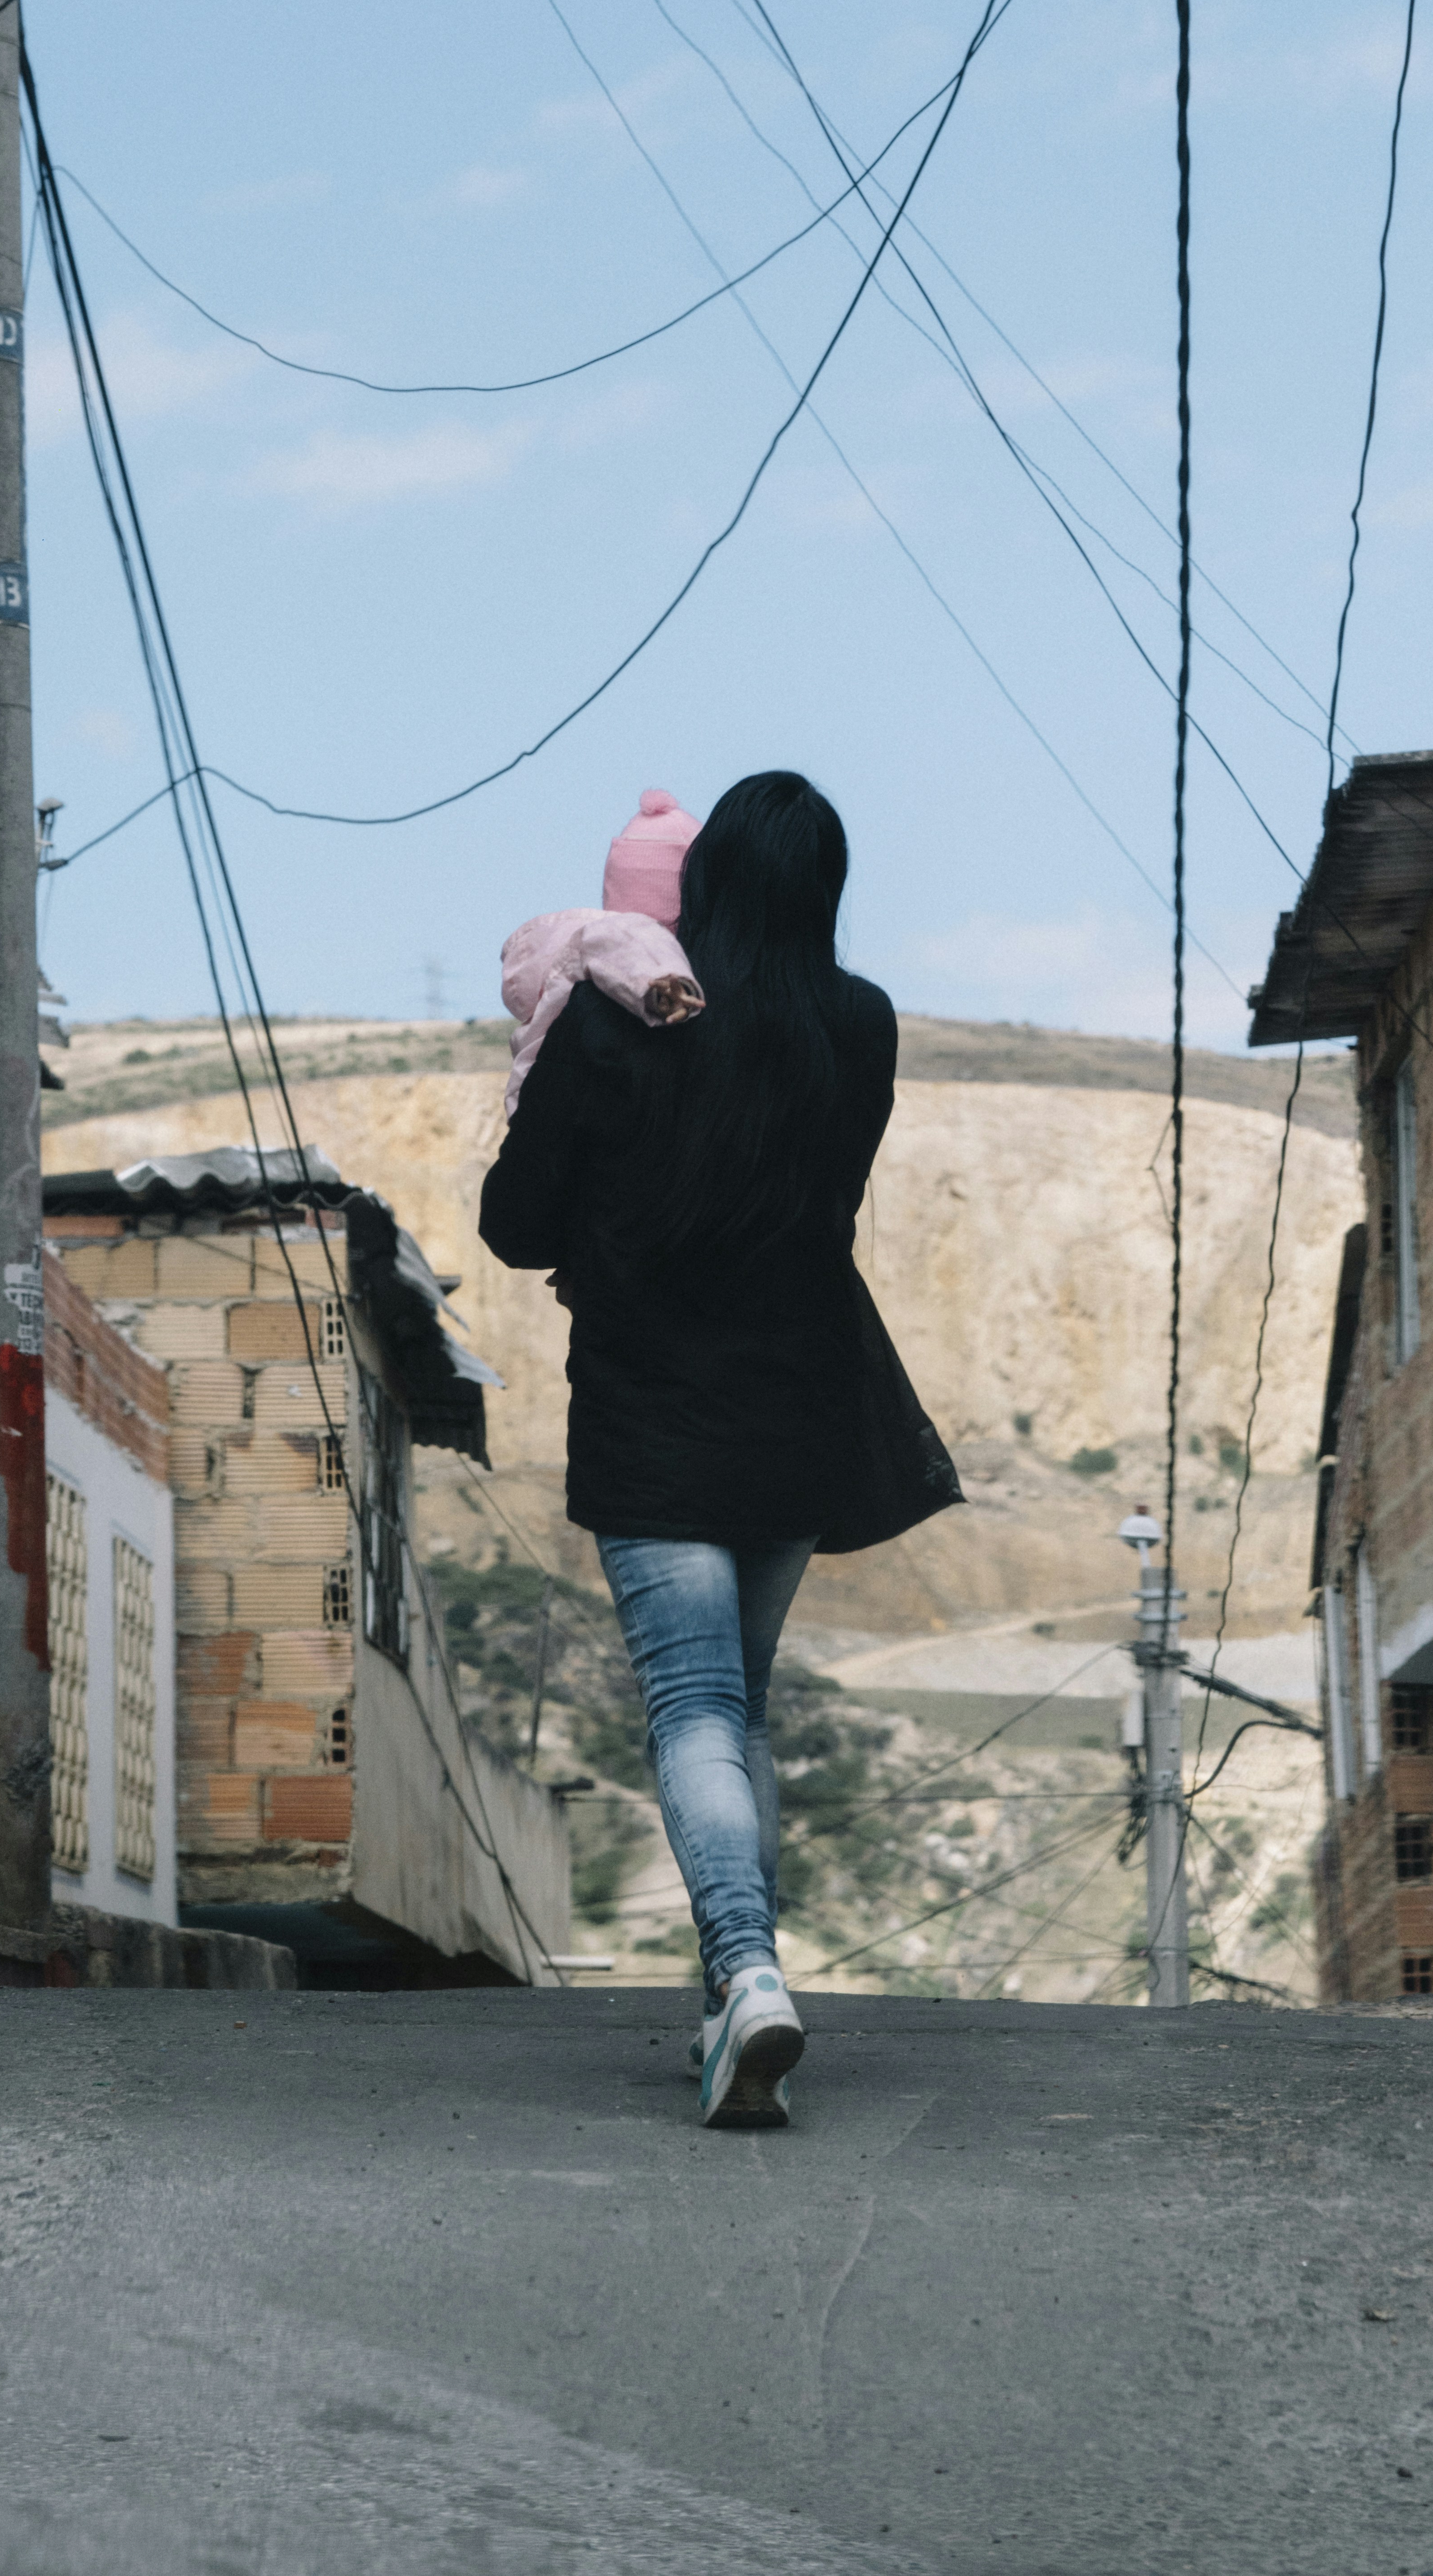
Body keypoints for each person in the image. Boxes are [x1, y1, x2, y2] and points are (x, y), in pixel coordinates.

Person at [478, 770, 961, 2127]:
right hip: (803, 1408)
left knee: (689, 1709)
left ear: (702, 890)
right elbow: (828, 1195)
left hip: (654, 1411)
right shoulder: (860, 1026)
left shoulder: (617, 1023)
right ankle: (726, 2003)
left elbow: (517, 1224)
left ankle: (747, 1969)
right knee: (737, 1708)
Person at [498, 786, 705, 1119]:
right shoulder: (632, 938)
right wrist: (665, 990)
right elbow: (641, 951)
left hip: (534, 1106)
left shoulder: (584, 948)